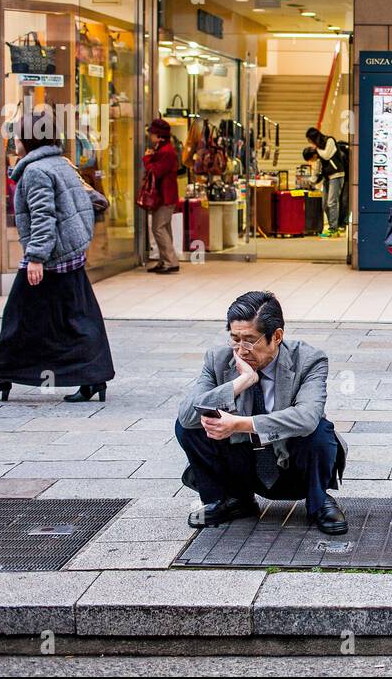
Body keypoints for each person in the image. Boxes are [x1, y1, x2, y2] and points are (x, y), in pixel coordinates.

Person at [0, 106, 115, 403]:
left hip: (50, 259)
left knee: (19, 319)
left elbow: (43, 216)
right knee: (77, 318)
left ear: (29, 140)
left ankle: (1, 376)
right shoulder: (61, 163)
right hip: (70, 256)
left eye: (18, 137)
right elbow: (92, 199)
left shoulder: (36, 170)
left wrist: (36, 257)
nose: (14, 143)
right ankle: (92, 378)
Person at [176, 290, 348, 531]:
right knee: (193, 425)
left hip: (291, 462)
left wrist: (239, 424)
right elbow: (187, 416)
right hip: (242, 460)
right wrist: (240, 382)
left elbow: (307, 418)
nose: (241, 349)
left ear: (276, 336)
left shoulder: (309, 360)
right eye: (235, 338)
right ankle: (233, 499)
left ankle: (318, 501)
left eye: (249, 339)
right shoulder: (218, 359)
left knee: (320, 430)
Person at [142, 118, 180, 274]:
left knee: (158, 228)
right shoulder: (163, 149)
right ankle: (165, 260)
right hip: (165, 196)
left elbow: (156, 171)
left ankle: (170, 261)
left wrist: (147, 158)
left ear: (159, 136)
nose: (150, 137)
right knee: (164, 228)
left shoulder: (166, 152)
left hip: (165, 197)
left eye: (152, 134)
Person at [304, 127, 349, 236]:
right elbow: (318, 166)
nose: (310, 143)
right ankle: (333, 226)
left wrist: (317, 150)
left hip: (337, 175)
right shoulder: (319, 149)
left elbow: (327, 155)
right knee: (325, 204)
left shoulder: (330, 141)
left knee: (332, 202)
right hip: (327, 177)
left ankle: (334, 228)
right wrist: (311, 181)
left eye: (310, 140)